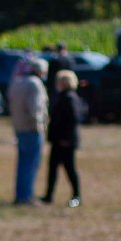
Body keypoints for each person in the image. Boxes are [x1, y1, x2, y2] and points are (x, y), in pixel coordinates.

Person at [8, 56, 48, 205]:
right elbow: (35, 108)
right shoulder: (34, 84)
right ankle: (27, 196)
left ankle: (21, 194)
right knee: (31, 164)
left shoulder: (17, 82)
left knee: (22, 163)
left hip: (19, 128)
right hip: (31, 129)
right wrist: (38, 126)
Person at [43, 69, 85, 207]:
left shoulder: (69, 98)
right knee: (52, 168)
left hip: (65, 141)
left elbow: (73, 120)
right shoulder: (63, 96)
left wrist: (67, 139)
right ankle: (48, 196)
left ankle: (76, 196)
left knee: (69, 169)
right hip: (57, 140)